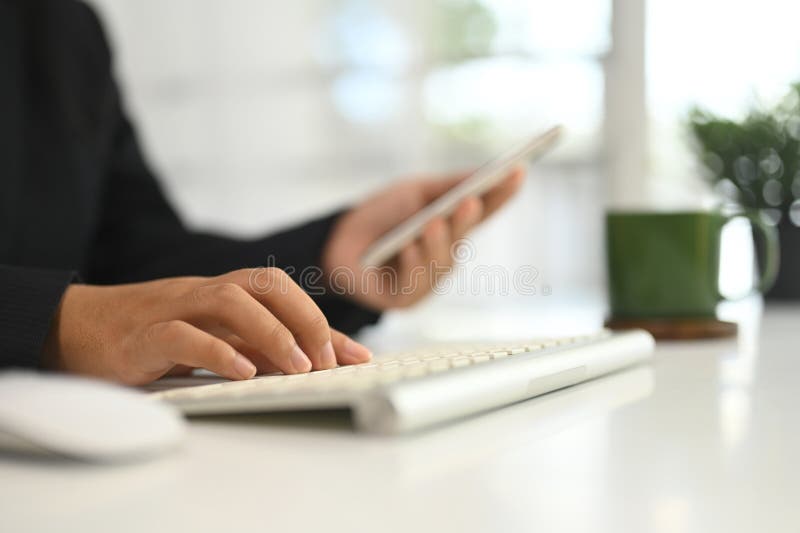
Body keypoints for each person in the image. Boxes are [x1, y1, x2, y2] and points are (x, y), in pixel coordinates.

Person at [0, 0, 523, 385]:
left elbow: (132, 258)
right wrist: (56, 318)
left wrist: (329, 258)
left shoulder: (60, 27)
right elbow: (97, 311)